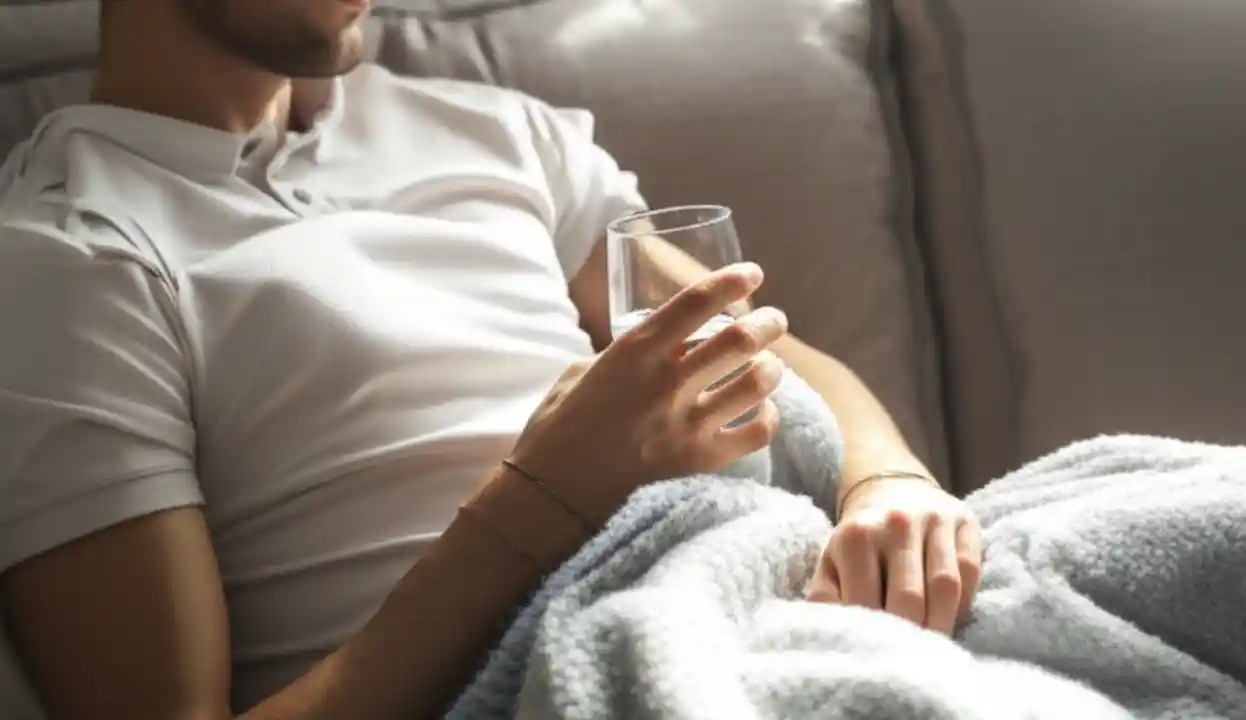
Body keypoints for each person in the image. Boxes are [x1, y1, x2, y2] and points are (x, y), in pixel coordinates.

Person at [0, 1, 983, 717]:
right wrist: (541, 499)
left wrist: (887, 484)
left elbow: (770, 352)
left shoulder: (494, 130)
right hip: (565, 671)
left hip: (765, 592)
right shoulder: (65, 258)